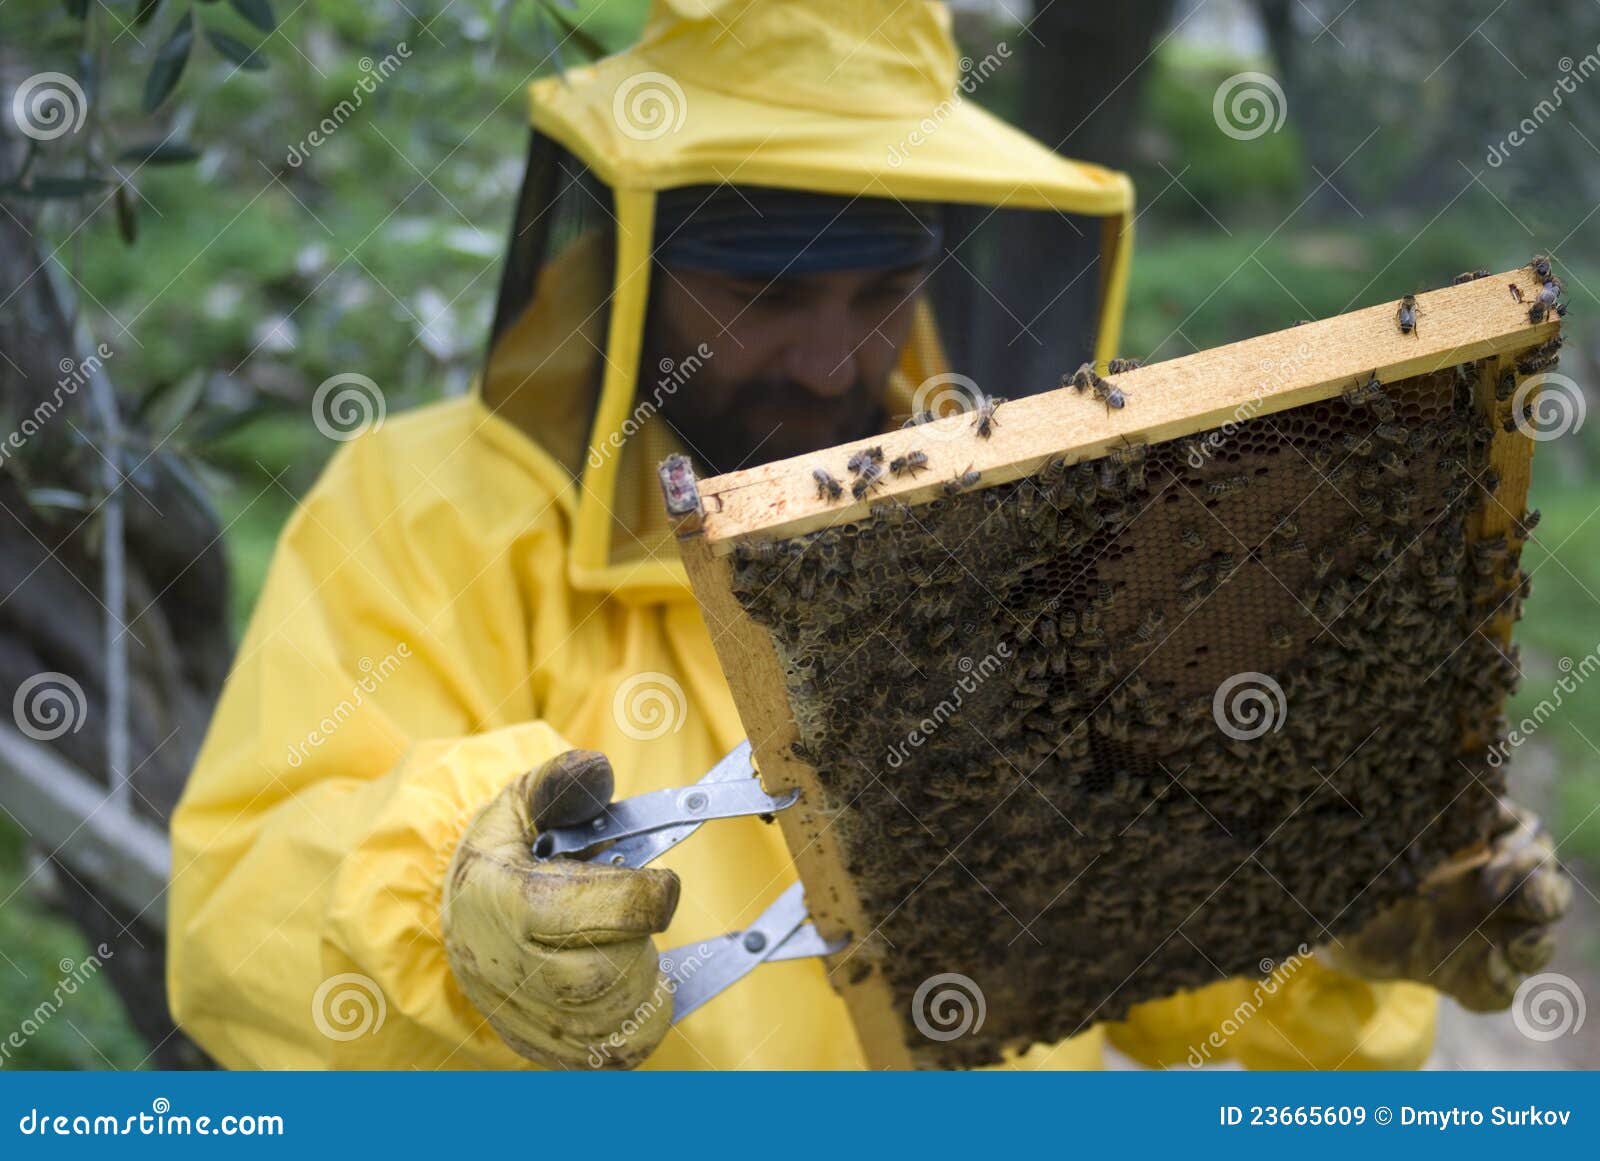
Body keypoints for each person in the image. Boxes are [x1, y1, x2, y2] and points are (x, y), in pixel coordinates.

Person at [167, 0, 1569, 1070]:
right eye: (767, 297)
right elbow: (239, 918)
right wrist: (444, 918)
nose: (834, 363)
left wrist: (1326, 918)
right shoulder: (420, 513)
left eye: (881, 289)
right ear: (639, 259)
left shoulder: (1016, 525)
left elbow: (1133, 919)